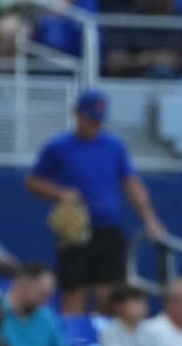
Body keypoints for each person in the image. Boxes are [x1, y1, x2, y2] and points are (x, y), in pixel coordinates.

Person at [26, 90, 166, 316]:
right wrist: (61, 193)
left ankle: (103, 338)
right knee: (75, 293)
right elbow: (34, 181)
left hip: (108, 230)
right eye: (90, 120)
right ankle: (74, 337)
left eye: (98, 121)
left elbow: (131, 183)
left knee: (110, 296)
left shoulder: (114, 146)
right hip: (75, 233)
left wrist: (150, 219)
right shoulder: (58, 146)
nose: (95, 126)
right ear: (77, 114)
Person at [0, 263, 72, 346]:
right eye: (42, 295)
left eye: (49, 296)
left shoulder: (47, 317)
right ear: (23, 285)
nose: (46, 301)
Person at [99, 284, 165, 346]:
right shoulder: (109, 332)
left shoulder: (151, 331)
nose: (141, 307)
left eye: (143, 302)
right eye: (135, 303)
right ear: (118, 306)